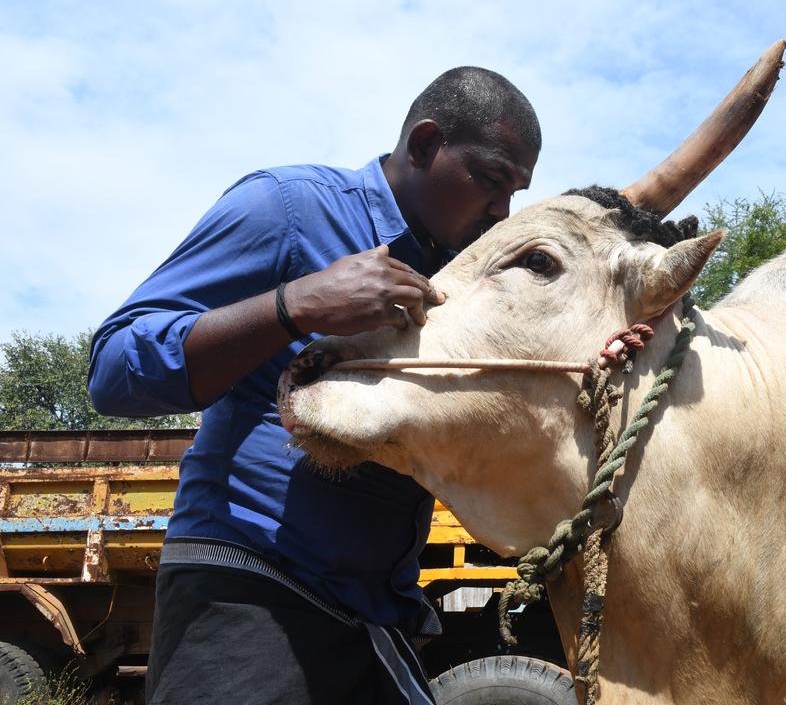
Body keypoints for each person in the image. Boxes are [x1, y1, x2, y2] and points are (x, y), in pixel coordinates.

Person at [88, 67, 540, 705]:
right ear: (423, 144)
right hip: (249, 585)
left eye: (516, 192)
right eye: (492, 180)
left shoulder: (459, 277)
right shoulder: (288, 209)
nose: (502, 210)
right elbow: (113, 373)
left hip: (376, 610)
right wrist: (296, 304)